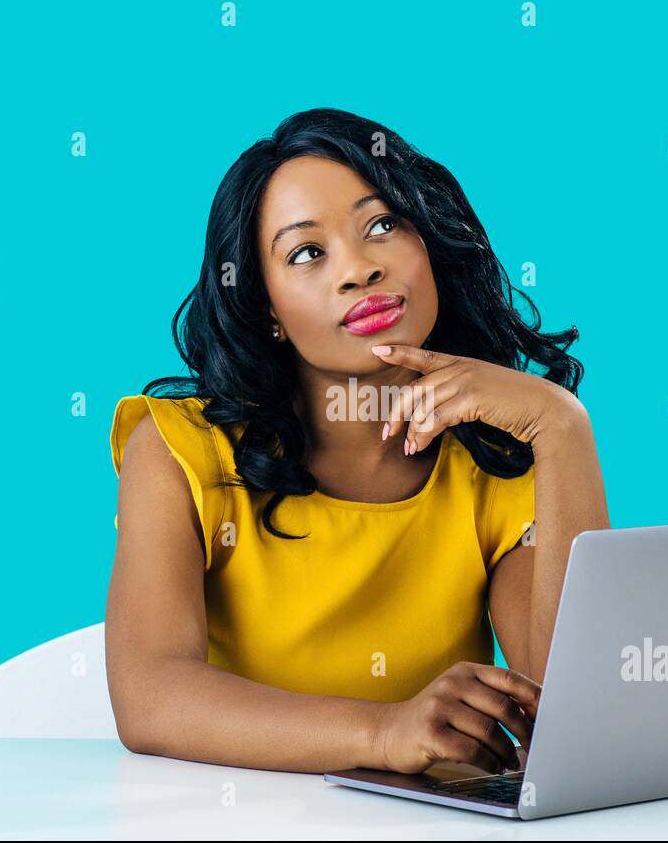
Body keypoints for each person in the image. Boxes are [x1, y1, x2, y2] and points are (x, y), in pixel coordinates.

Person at [105, 108, 609, 776]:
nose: (360, 269)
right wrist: (383, 733)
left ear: (429, 245)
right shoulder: (180, 449)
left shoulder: (492, 462)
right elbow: (151, 700)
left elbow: (576, 714)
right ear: (267, 309)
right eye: (308, 252)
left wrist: (563, 428)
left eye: (382, 225)